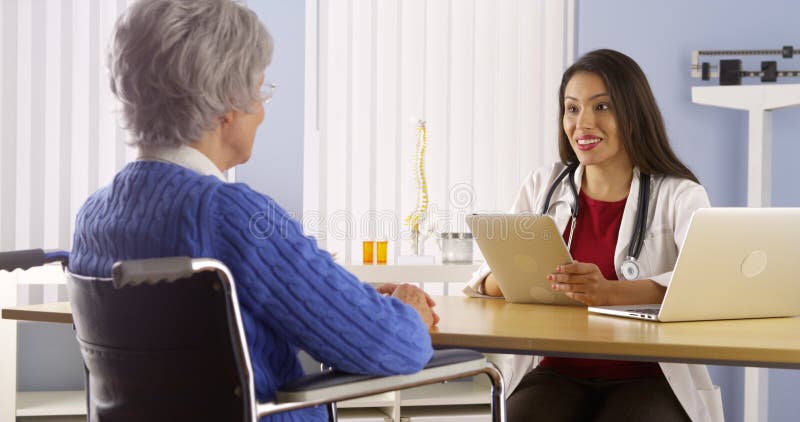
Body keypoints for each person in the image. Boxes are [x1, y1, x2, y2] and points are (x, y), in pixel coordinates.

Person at [69, 1, 437, 420]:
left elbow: (214, 340)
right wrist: (408, 312)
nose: (262, 110)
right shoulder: (233, 215)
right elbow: (394, 344)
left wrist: (343, 298)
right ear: (228, 100)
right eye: (259, 91)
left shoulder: (93, 218)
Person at [463, 49, 724, 422]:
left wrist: (610, 293)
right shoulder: (542, 185)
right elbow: (480, 280)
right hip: (556, 371)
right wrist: (513, 281)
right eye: (572, 108)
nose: (583, 123)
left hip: (648, 376)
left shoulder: (679, 195)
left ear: (633, 113)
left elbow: (706, 285)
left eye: (601, 107)